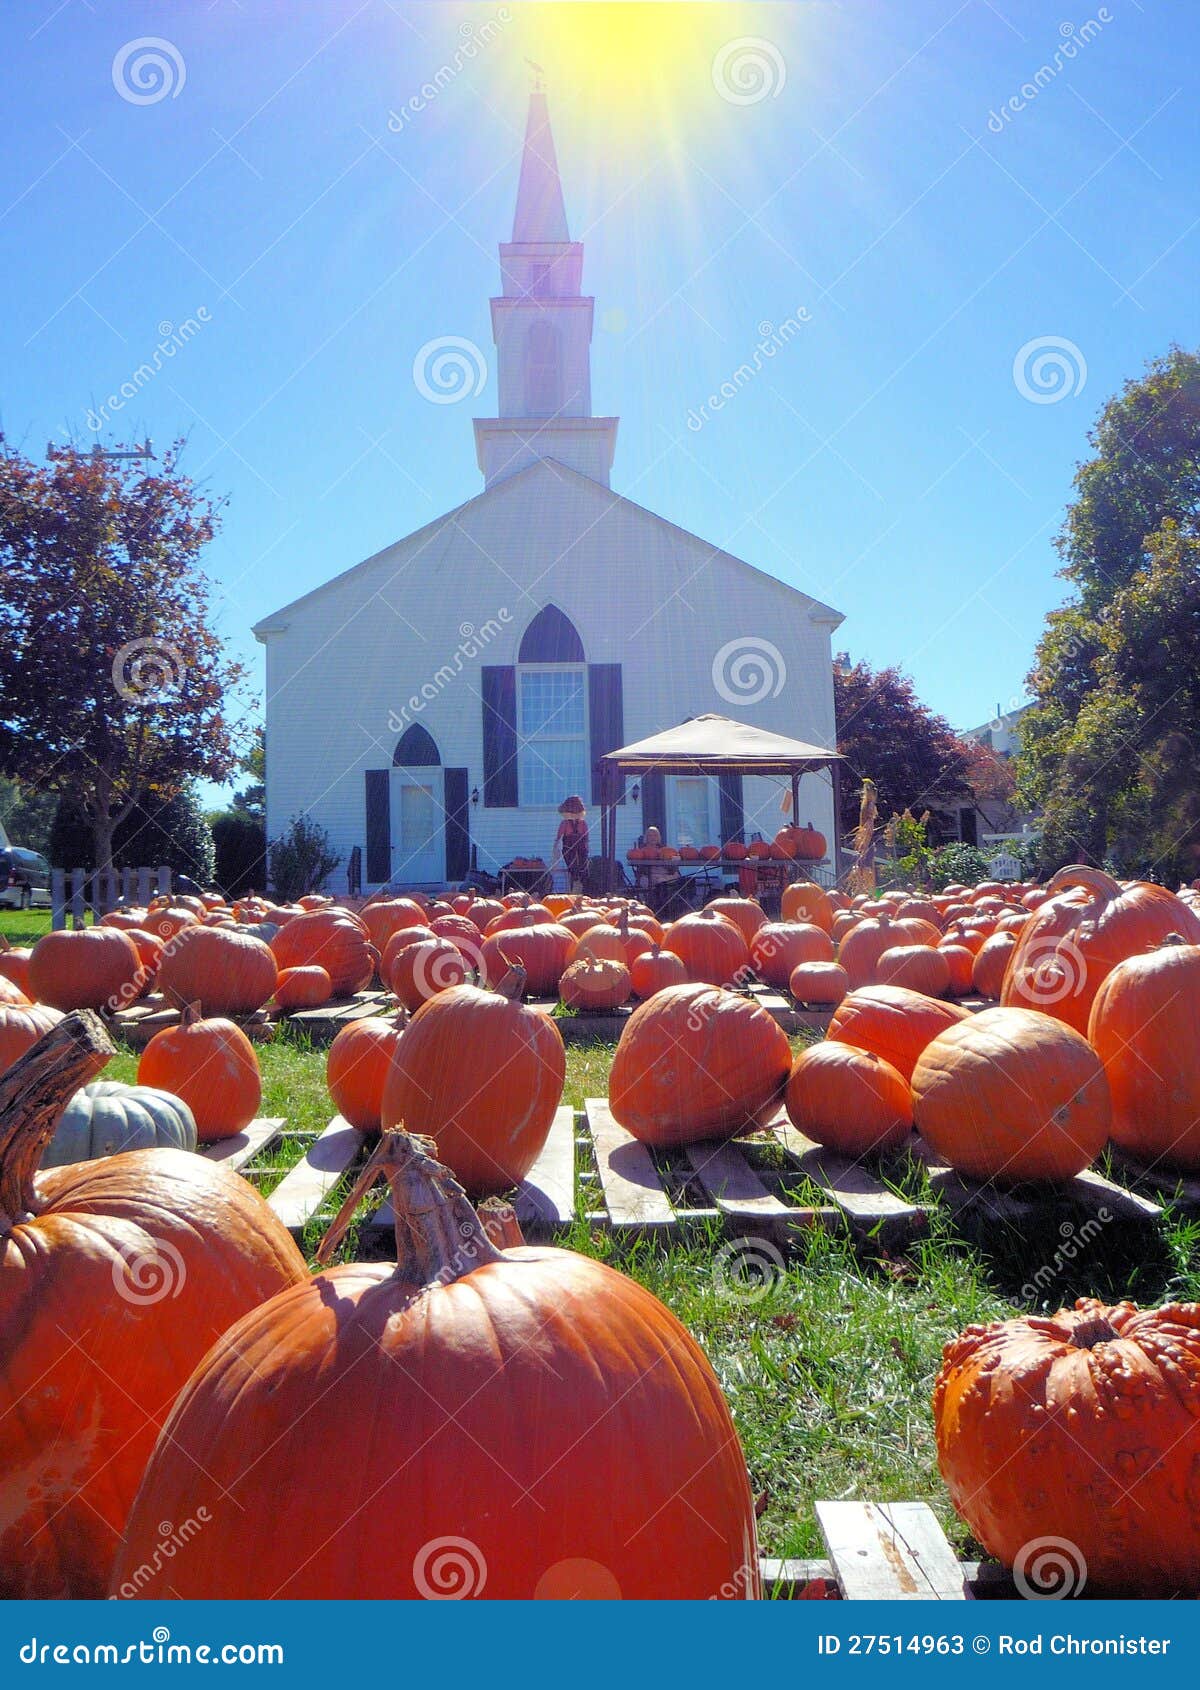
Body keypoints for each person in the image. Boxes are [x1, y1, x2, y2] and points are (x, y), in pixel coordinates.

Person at [552, 795, 589, 893]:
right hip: (571, 850)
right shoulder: (566, 823)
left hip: (579, 850)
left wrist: (555, 849)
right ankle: (577, 886)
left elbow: (558, 838)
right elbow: (558, 839)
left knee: (579, 869)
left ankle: (578, 887)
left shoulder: (580, 823)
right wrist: (556, 852)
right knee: (575, 870)